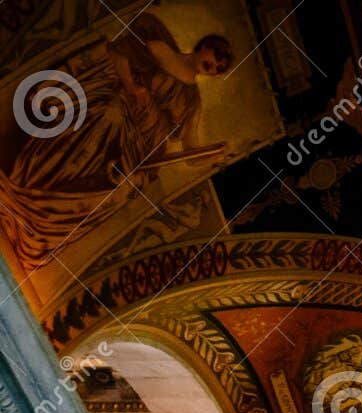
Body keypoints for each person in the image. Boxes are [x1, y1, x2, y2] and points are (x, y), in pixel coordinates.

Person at [0, 14, 231, 267]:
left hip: (142, 147)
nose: (213, 67)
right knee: (109, 118)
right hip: (120, 106)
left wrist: (212, 156)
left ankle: (41, 221)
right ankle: (31, 186)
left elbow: (190, 146)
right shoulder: (161, 45)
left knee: (120, 188)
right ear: (204, 46)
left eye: (219, 68)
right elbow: (119, 55)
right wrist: (132, 87)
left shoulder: (192, 101)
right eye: (214, 58)